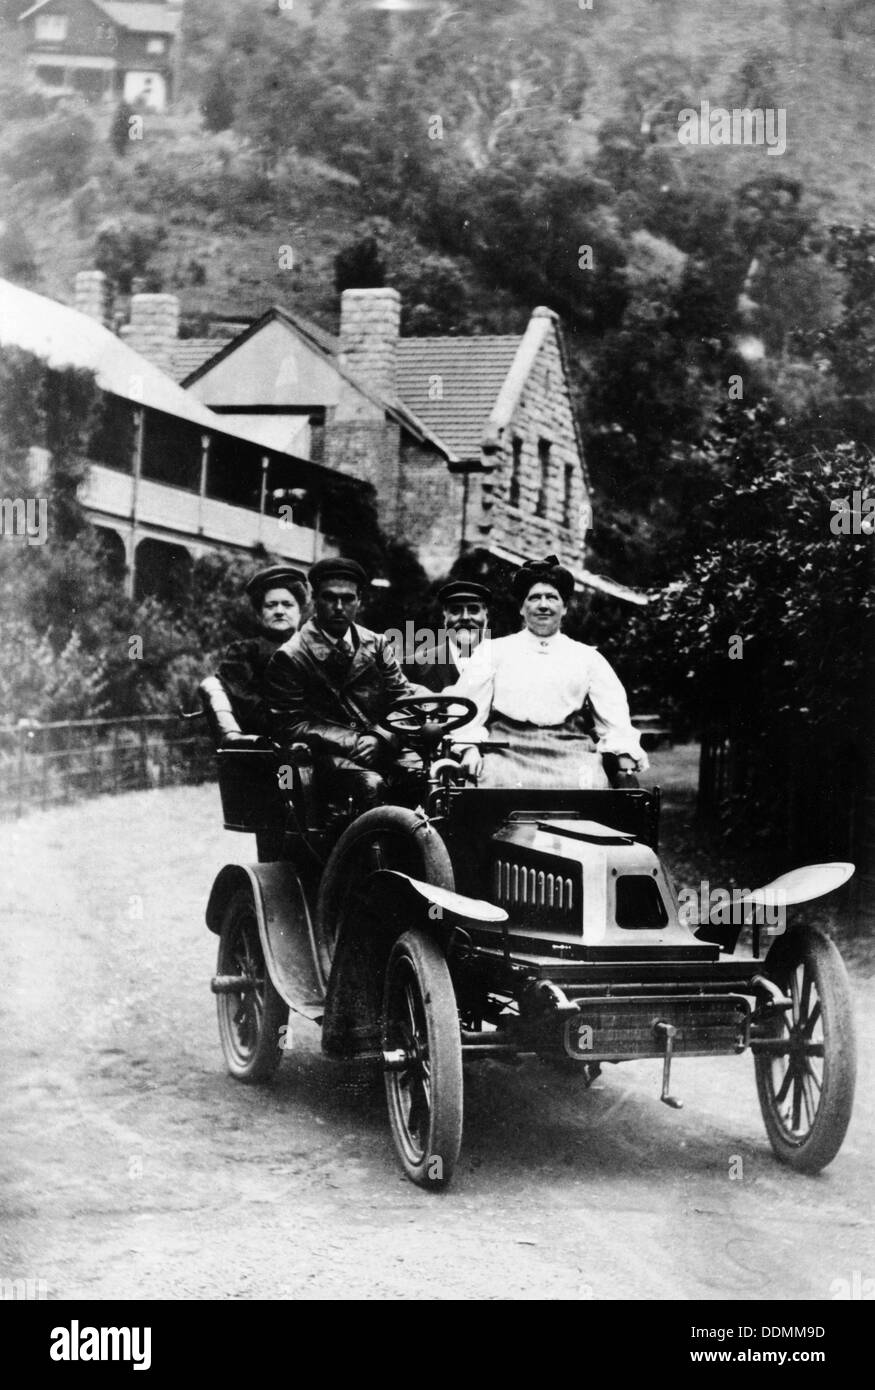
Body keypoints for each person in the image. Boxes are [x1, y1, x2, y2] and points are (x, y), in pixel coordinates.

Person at [450, 555, 648, 789]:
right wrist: (469, 749)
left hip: (572, 751)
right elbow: (467, 709)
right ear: (522, 608)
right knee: (490, 783)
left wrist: (624, 759)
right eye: (534, 598)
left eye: (552, 598)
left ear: (564, 608)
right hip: (506, 750)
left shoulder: (587, 658)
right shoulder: (493, 652)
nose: (543, 605)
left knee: (592, 785)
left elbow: (614, 718)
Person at [264, 556, 427, 811]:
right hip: (326, 758)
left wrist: (381, 736)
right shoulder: (291, 656)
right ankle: (368, 851)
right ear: (314, 600)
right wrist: (355, 741)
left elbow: (407, 702)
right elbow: (288, 724)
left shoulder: (377, 644)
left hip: (382, 747)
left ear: (359, 601)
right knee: (370, 785)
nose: (339, 607)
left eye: (348, 598)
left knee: (428, 778)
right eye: (329, 597)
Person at [217, 564, 308, 736]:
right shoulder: (242, 653)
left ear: (300, 612)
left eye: (287, 604)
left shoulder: (316, 651)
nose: (279, 611)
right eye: (271, 605)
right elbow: (246, 704)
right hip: (266, 747)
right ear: (259, 614)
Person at [403, 578, 492, 692]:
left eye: (473, 610)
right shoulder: (414, 665)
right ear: (444, 618)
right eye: (455, 610)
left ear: (487, 617)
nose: (465, 617)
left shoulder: (506, 661)